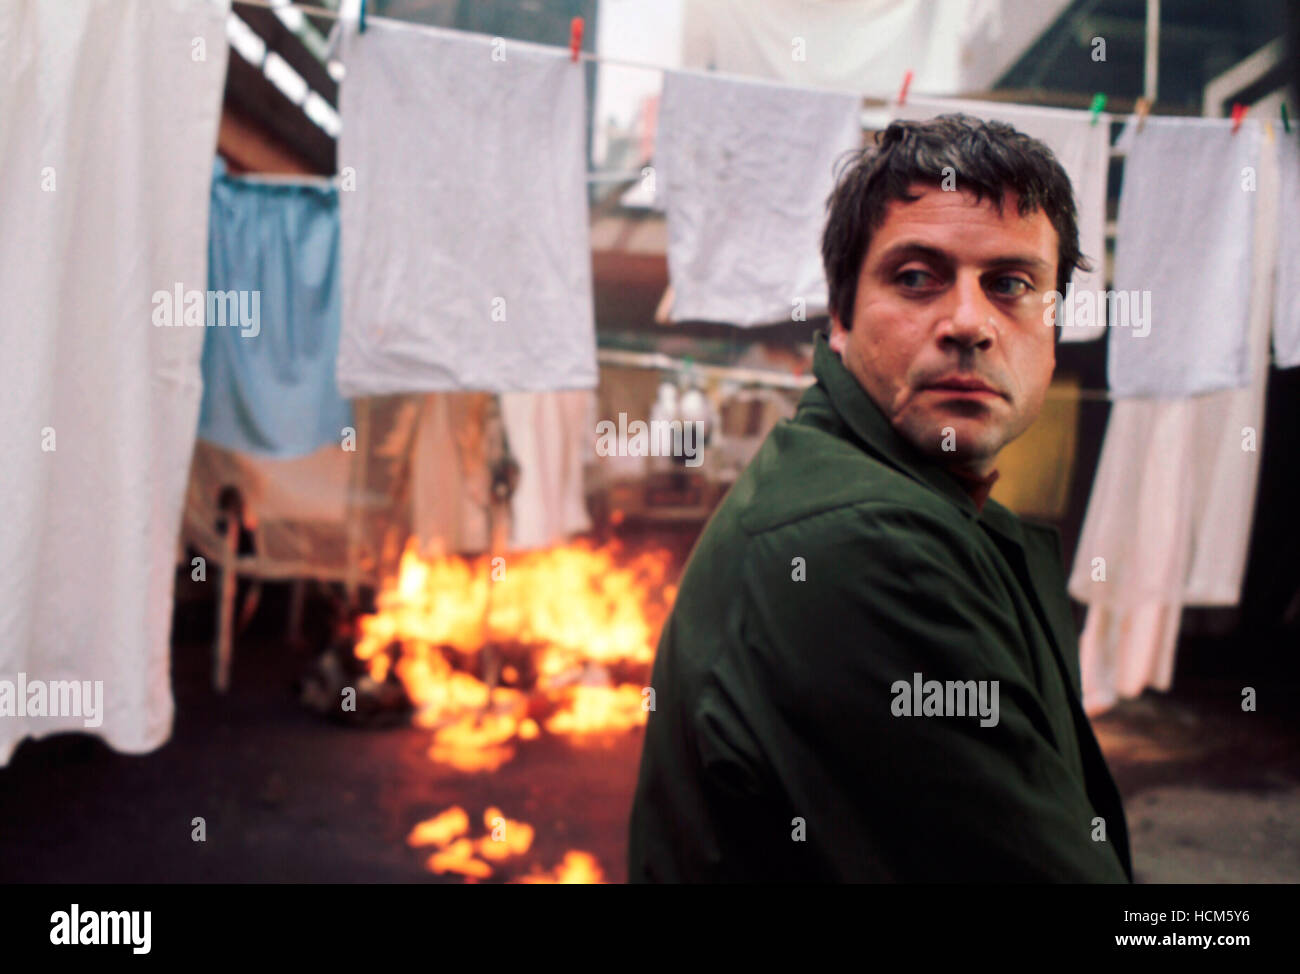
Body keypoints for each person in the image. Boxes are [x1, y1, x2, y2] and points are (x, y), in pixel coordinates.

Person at [627, 114, 1132, 882]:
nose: (969, 324)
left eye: (1011, 285)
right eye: (918, 278)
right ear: (839, 318)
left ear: (1054, 330)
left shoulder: (905, 500)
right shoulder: (864, 546)